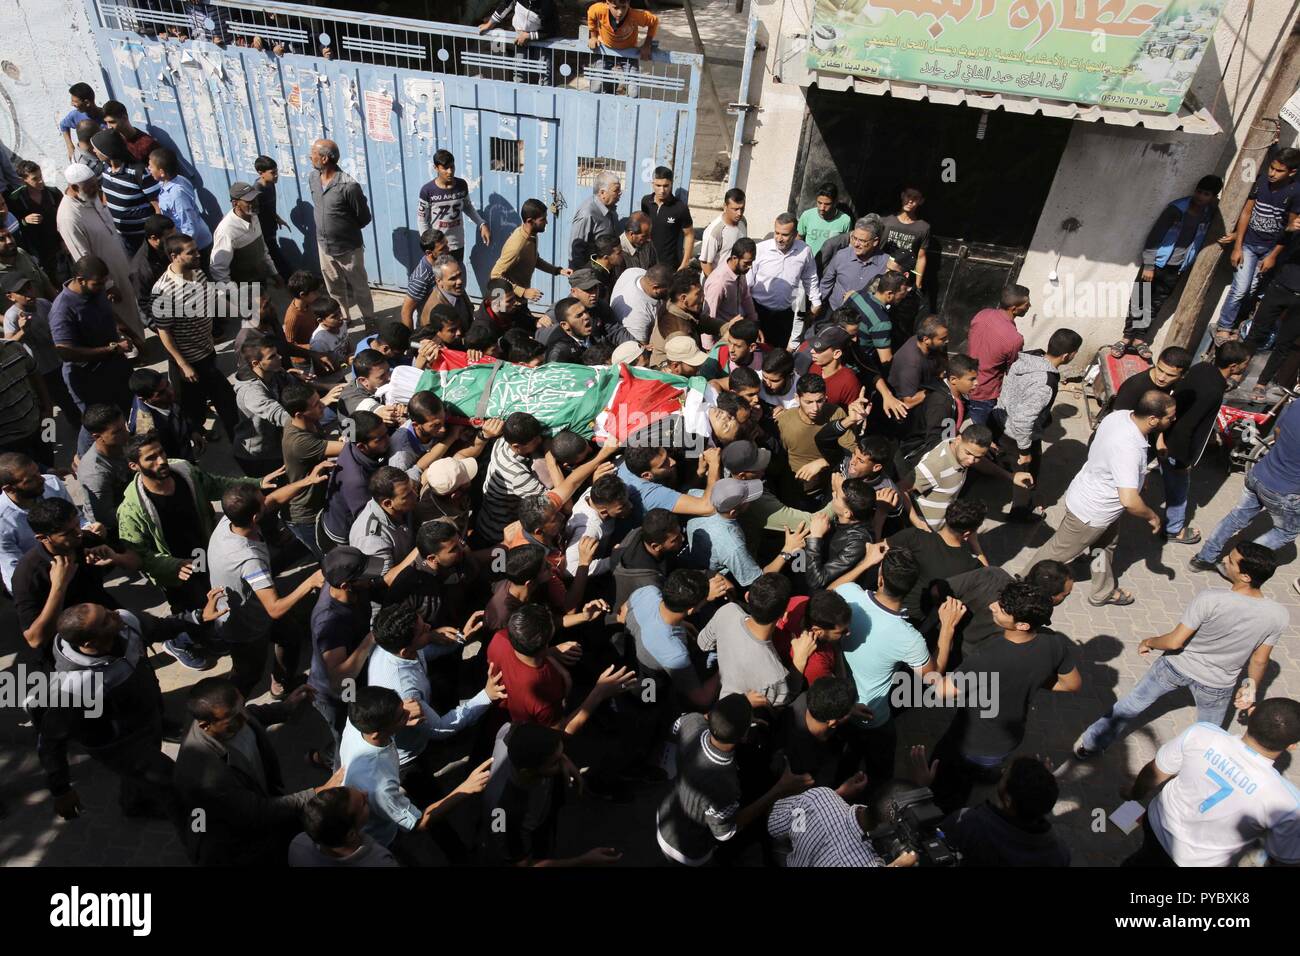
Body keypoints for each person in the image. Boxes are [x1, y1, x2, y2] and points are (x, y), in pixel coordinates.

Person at [1075, 543, 1286, 759]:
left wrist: (1149, 641)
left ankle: (1090, 745)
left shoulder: (1210, 599)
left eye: (1231, 561)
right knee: (1207, 733)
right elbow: (1260, 660)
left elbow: (1175, 642)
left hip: (1174, 667)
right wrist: (1250, 686)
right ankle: (1191, 767)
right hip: (1218, 684)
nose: (1224, 560)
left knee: (1131, 705)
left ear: (1246, 576)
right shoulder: (1277, 615)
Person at [930, 581, 1079, 811]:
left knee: (947, 789)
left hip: (969, 741)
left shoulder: (988, 657)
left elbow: (939, 690)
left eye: (1002, 608)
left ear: (1021, 624)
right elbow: (1072, 684)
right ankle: (982, 777)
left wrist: (947, 629)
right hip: (1006, 742)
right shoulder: (1055, 642)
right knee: (979, 772)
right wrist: (1031, 680)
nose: (992, 606)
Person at [174, 676, 341, 866]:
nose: (244, 718)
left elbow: (252, 714)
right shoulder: (206, 777)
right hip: (239, 841)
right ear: (205, 726)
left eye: (242, 707)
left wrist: (284, 708)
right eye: (234, 718)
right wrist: (316, 794)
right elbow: (258, 812)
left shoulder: (231, 720)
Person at [1032, 390, 1175, 606]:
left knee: (1104, 547)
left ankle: (1102, 591)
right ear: (1153, 419)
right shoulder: (1129, 447)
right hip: (1090, 514)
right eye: (1170, 417)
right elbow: (1129, 500)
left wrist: (1138, 476)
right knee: (1054, 555)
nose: (1174, 419)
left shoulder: (1121, 416)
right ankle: (1022, 585)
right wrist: (1152, 517)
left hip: (1102, 507)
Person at [36, 604, 176, 823]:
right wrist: (61, 790)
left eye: (106, 611)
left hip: (147, 720)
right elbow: (49, 742)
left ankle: (134, 803)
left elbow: (159, 627)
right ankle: (195, 820)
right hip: (120, 745)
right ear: (89, 643)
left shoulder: (125, 622)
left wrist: (198, 619)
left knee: (140, 777)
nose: (115, 614)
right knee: (173, 778)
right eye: (105, 620)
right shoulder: (74, 688)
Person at [1123, 697, 1300, 867]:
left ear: (1251, 713)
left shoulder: (1202, 733)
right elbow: (1284, 857)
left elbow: (1154, 772)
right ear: (1293, 745)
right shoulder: (1288, 802)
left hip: (1157, 824)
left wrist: (1134, 794)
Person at [834, 548, 961, 781]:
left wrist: (863, 564)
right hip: (873, 717)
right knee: (880, 770)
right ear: (911, 588)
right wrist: (947, 629)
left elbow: (831, 589)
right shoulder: (910, 639)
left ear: (880, 578)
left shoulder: (848, 594)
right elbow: (933, 679)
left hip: (840, 703)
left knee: (845, 759)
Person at [206, 479, 331, 695]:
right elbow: (274, 608)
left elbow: (272, 500)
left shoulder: (229, 520)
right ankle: (231, 712)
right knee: (248, 674)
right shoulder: (249, 560)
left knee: (290, 636)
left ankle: (282, 684)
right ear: (255, 517)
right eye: (261, 502)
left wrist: (308, 480)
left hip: (256, 608)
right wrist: (310, 582)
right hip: (247, 627)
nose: (267, 501)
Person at [655, 694, 812, 866]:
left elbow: (676, 728)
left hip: (664, 817)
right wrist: (780, 789)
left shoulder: (692, 721)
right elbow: (724, 833)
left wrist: (738, 707)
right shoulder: (725, 784)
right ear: (744, 736)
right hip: (688, 850)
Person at [339, 686, 492, 854]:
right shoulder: (380, 787)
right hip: (382, 840)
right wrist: (465, 789)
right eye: (400, 716)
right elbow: (418, 823)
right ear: (376, 734)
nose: (409, 713)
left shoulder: (359, 719)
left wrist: (400, 719)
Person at [478, 722, 621, 866]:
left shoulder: (509, 731)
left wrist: (564, 760)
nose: (562, 765)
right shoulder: (506, 813)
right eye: (555, 762)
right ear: (528, 772)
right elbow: (523, 864)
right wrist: (583, 861)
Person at [1116, 174, 1222, 360]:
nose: (1200, 196)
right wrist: (1149, 265)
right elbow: (1155, 236)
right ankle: (1126, 338)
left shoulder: (1209, 214)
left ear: (1212, 197)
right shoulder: (1176, 209)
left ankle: (1139, 340)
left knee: (1156, 304)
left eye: (1206, 194)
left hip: (1177, 268)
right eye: (1199, 191)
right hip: (1155, 265)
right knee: (1140, 300)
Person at [1192, 397, 1300, 576]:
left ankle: (1203, 558)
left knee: (1236, 517)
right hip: (1285, 490)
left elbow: (1278, 431)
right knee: (1286, 532)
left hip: (1259, 473)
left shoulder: (1296, 403)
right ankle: (1239, 565)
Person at [1160, 341, 1252, 544]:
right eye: (1245, 363)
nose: (1247, 366)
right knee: (1178, 489)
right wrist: (1184, 461)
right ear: (1234, 367)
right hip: (1177, 446)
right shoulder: (1212, 391)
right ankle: (1173, 530)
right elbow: (1188, 426)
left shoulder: (1202, 368)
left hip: (1167, 435)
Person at [151, 233, 239, 441]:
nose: (198, 255)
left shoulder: (197, 273)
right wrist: (183, 364)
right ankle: (199, 438)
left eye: (196, 250)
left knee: (216, 400)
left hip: (206, 351)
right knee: (196, 405)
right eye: (191, 252)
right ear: (175, 256)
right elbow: (164, 332)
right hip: (188, 361)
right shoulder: (163, 291)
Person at [49, 255, 138, 451]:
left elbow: (109, 314)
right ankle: (86, 462)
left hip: (115, 367)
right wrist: (112, 348)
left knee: (132, 410)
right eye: (98, 283)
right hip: (88, 379)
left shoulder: (94, 291)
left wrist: (132, 334)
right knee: (100, 425)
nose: (102, 287)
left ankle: (135, 450)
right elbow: (67, 352)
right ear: (80, 280)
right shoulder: (62, 310)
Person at [307, 546, 385, 769]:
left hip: (355, 682)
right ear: (345, 585)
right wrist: (371, 638)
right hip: (337, 694)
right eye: (365, 577)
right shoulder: (329, 621)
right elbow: (340, 679)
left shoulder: (351, 589)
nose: (370, 580)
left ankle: (324, 756)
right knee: (348, 746)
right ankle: (340, 786)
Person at [994, 328, 1082, 522]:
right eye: (1076, 352)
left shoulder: (1027, 359)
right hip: (1018, 435)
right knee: (1026, 475)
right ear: (1068, 355)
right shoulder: (1045, 383)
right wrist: (1025, 452)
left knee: (1009, 459)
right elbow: (1024, 422)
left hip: (1001, 421)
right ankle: (1020, 511)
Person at [1214, 148, 1300, 342]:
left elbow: (1290, 229)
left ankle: (1237, 324)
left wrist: (1273, 256)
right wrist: (1238, 245)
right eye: (1272, 168)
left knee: (1252, 290)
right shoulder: (1261, 182)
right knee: (1241, 289)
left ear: (1291, 172)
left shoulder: (1295, 193)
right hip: (1249, 246)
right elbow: (1246, 212)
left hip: (1269, 250)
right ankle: (1224, 327)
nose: (1272, 173)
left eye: (1279, 171)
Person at [55, 167, 147, 341]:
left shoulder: (89, 196)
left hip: (122, 266)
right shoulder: (69, 217)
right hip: (107, 276)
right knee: (120, 316)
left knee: (131, 309)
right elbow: (82, 257)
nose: (95, 189)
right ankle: (134, 354)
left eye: (95, 184)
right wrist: (108, 284)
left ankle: (140, 344)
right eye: (90, 186)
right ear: (74, 188)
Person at [939, 755, 1071, 866]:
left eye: (1005, 774)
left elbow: (935, 847)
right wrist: (1041, 789)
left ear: (1008, 799)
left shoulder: (969, 823)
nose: (1002, 772)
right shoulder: (1059, 854)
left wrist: (926, 791)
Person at [686, 478, 810, 587]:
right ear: (733, 512)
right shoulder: (732, 546)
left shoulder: (697, 496)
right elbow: (759, 581)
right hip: (725, 578)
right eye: (748, 500)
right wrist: (787, 551)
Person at [309, 139, 375, 328]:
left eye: (313, 153)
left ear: (324, 158)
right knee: (334, 287)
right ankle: (344, 318)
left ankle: (369, 320)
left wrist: (342, 228)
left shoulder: (348, 186)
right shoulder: (313, 178)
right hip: (324, 246)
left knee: (360, 287)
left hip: (348, 248)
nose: (310, 156)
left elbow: (364, 218)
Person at [320, 410, 392, 550]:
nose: (387, 440)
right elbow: (368, 520)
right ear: (361, 446)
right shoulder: (356, 480)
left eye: (386, 434)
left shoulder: (353, 439)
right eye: (379, 439)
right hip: (343, 533)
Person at [749, 213, 820, 350]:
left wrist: (815, 301)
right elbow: (747, 282)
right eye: (777, 233)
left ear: (795, 234)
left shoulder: (804, 251)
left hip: (786, 314)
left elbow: (810, 277)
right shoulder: (760, 249)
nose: (779, 239)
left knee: (778, 353)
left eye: (785, 235)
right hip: (758, 311)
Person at [966, 284, 1030, 425]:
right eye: (1026, 304)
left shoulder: (982, 314)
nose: (1029, 306)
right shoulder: (1014, 339)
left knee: (957, 419)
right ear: (1014, 308)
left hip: (963, 379)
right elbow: (1011, 368)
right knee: (980, 433)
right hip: (984, 392)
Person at [89, 130, 159, 256]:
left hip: (143, 239)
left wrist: (156, 235)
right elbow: (106, 196)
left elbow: (157, 206)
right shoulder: (104, 168)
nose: (94, 151)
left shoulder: (138, 172)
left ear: (107, 150)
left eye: (96, 149)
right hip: (120, 237)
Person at [290, 787, 399, 867]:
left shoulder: (299, 844)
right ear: (351, 835)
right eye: (363, 803)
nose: (366, 793)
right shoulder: (381, 862)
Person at [415, 149, 489, 263]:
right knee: (441, 279)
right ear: (436, 168)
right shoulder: (427, 191)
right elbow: (422, 220)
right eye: (445, 168)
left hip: (457, 244)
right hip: (438, 247)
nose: (450, 172)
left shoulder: (461, 185)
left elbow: (467, 206)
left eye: (452, 167)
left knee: (456, 277)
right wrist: (429, 245)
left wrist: (481, 223)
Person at [490, 197, 570, 302]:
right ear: (530, 221)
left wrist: (558, 270)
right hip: (508, 304)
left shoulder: (531, 235)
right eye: (542, 219)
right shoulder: (517, 245)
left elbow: (534, 260)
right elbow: (495, 275)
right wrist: (523, 292)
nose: (546, 222)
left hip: (519, 301)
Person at [209, 181, 279, 287]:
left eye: (255, 199)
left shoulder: (253, 216)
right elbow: (218, 270)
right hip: (244, 288)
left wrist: (275, 274)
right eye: (249, 201)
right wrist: (234, 294)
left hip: (260, 280)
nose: (255, 203)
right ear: (235, 203)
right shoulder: (226, 231)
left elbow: (262, 249)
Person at [75, 404, 131, 533]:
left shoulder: (121, 443)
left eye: (124, 427)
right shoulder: (95, 473)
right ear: (97, 437)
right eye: (117, 432)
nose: (126, 433)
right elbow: (106, 517)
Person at [147, 147, 212, 256]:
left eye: (151, 166)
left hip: (197, 247)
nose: (149, 168)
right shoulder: (174, 180)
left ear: (162, 172)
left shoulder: (177, 195)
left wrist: (184, 251)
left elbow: (189, 226)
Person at [8, 160, 64, 286]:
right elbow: (13, 227)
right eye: (35, 179)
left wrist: (64, 241)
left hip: (58, 247)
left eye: (41, 176)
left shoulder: (53, 193)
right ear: (23, 181)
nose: (41, 181)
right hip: (38, 252)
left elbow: (64, 218)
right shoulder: (16, 200)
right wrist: (25, 220)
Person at [586, 0, 658, 94]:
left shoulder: (635, 16)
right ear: (608, 4)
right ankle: (610, 85)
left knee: (634, 92)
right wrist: (593, 36)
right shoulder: (600, 10)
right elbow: (591, 13)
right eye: (615, 8)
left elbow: (654, 21)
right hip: (606, 51)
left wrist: (647, 44)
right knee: (595, 88)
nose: (620, 12)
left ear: (629, 3)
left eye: (624, 7)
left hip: (628, 54)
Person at [818, 215, 887, 312]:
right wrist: (816, 305)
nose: (856, 244)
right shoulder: (841, 256)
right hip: (834, 311)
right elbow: (826, 283)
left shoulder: (885, 264)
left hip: (863, 318)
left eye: (862, 241)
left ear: (875, 242)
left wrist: (859, 297)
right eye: (854, 238)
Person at [888, 314, 949, 410]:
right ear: (926, 339)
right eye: (942, 339)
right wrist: (940, 387)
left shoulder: (927, 343)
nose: (947, 341)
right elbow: (909, 401)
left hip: (927, 382)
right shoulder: (912, 364)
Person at [641, 166, 693, 270]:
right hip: (646, 262)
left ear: (671, 185)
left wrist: (685, 262)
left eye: (666, 186)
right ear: (652, 184)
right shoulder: (646, 202)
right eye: (658, 185)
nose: (662, 190)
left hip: (668, 266)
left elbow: (689, 235)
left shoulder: (680, 208)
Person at [882, 187, 930, 291]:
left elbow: (921, 257)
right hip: (881, 274)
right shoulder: (886, 221)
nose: (910, 201)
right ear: (902, 196)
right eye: (908, 196)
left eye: (915, 198)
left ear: (921, 201)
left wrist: (918, 285)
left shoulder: (923, 228)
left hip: (901, 280)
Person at [569, 171, 621, 269]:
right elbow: (576, 251)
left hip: (606, 271)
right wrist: (582, 279)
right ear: (602, 193)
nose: (620, 193)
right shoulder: (587, 214)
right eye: (616, 190)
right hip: (591, 273)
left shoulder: (610, 209)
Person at [400, 227, 450, 328]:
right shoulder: (421, 279)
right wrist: (410, 340)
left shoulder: (441, 261)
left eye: (447, 245)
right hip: (430, 327)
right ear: (428, 253)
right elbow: (406, 312)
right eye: (442, 249)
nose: (448, 249)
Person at [127, 213, 175, 320]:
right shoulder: (140, 269)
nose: (175, 240)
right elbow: (145, 305)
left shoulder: (167, 248)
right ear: (154, 238)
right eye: (169, 237)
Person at [253, 155, 292, 280]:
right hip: (262, 232)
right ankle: (289, 280)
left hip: (271, 227)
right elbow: (253, 215)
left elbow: (269, 208)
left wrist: (277, 218)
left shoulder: (270, 184)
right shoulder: (256, 191)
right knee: (275, 256)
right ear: (261, 173)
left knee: (273, 255)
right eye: (272, 173)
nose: (276, 175)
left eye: (276, 172)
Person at [610, 262, 670, 344]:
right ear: (655, 288)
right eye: (667, 290)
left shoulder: (634, 272)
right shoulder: (637, 314)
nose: (669, 292)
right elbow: (640, 347)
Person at [796, 183, 851, 262]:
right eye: (819, 202)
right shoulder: (807, 215)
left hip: (830, 265)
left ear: (835, 202)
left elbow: (846, 245)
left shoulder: (845, 220)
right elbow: (799, 238)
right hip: (808, 261)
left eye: (827, 204)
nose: (822, 208)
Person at [698, 188, 746, 276]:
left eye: (742, 209)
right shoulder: (715, 231)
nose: (739, 213)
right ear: (725, 206)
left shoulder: (742, 222)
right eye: (735, 209)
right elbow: (705, 264)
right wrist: (716, 284)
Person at [419, 254, 473, 331]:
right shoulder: (435, 309)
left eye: (460, 275)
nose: (460, 281)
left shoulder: (456, 289)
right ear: (439, 281)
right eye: (453, 278)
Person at [101, 100, 159, 164]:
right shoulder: (112, 139)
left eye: (112, 122)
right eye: (106, 122)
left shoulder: (147, 144)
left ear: (124, 118)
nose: (108, 126)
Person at [59, 82, 104, 160]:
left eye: (75, 101)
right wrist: (70, 146)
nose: (71, 104)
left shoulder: (106, 117)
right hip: (89, 159)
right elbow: (63, 125)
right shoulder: (75, 115)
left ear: (87, 103)